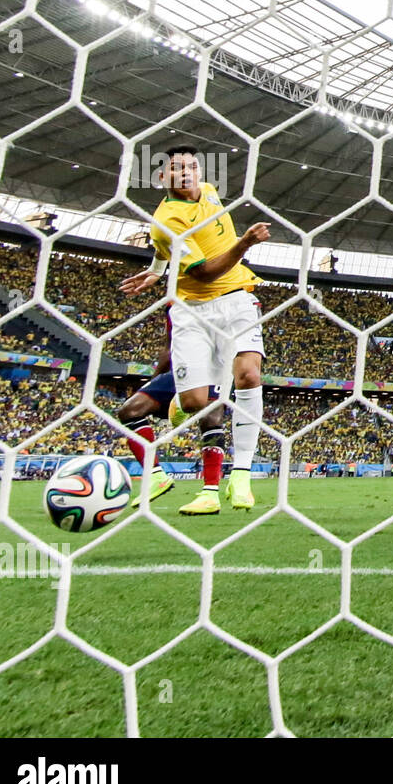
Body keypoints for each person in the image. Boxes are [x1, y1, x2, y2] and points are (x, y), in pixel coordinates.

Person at [119, 145, 270, 515]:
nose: (185, 172)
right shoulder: (167, 219)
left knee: (249, 374)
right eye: (175, 168)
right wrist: (244, 243)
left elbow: (163, 251)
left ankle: (242, 474)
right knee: (195, 404)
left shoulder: (211, 192)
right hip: (194, 309)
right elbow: (202, 272)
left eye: (191, 166)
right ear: (161, 178)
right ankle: (182, 453)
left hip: (237, 299)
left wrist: (156, 269)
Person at [115, 310, 224, 506]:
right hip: (182, 368)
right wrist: (155, 382)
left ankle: (210, 492)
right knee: (129, 411)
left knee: (210, 419)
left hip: (217, 366)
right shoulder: (176, 304)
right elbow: (170, 345)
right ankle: (156, 477)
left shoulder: (226, 295)